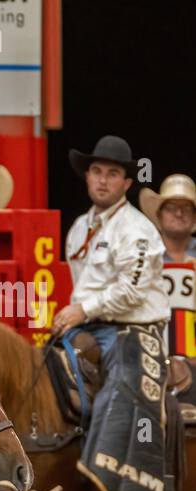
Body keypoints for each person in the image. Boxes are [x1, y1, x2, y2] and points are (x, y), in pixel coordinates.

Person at [53, 136, 168, 357]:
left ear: (127, 183)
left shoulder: (137, 229)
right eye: (96, 171)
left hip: (135, 328)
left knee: (118, 391)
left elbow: (131, 292)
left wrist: (83, 310)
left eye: (112, 174)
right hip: (87, 326)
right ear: (87, 177)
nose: (102, 181)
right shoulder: (78, 227)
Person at [140, 173, 196, 264]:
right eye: (171, 207)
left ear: (194, 216)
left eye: (186, 208)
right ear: (159, 215)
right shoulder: (140, 254)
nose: (179, 213)